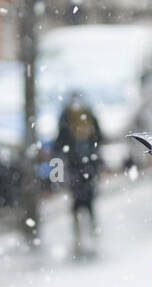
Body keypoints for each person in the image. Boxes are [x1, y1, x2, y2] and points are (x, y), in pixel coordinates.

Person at [53, 92, 102, 257]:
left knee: (83, 199)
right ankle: (85, 230)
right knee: (84, 199)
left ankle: (82, 231)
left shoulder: (67, 119)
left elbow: (59, 144)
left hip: (80, 166)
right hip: (81, 166)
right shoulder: (76, 119)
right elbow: (99, 139)